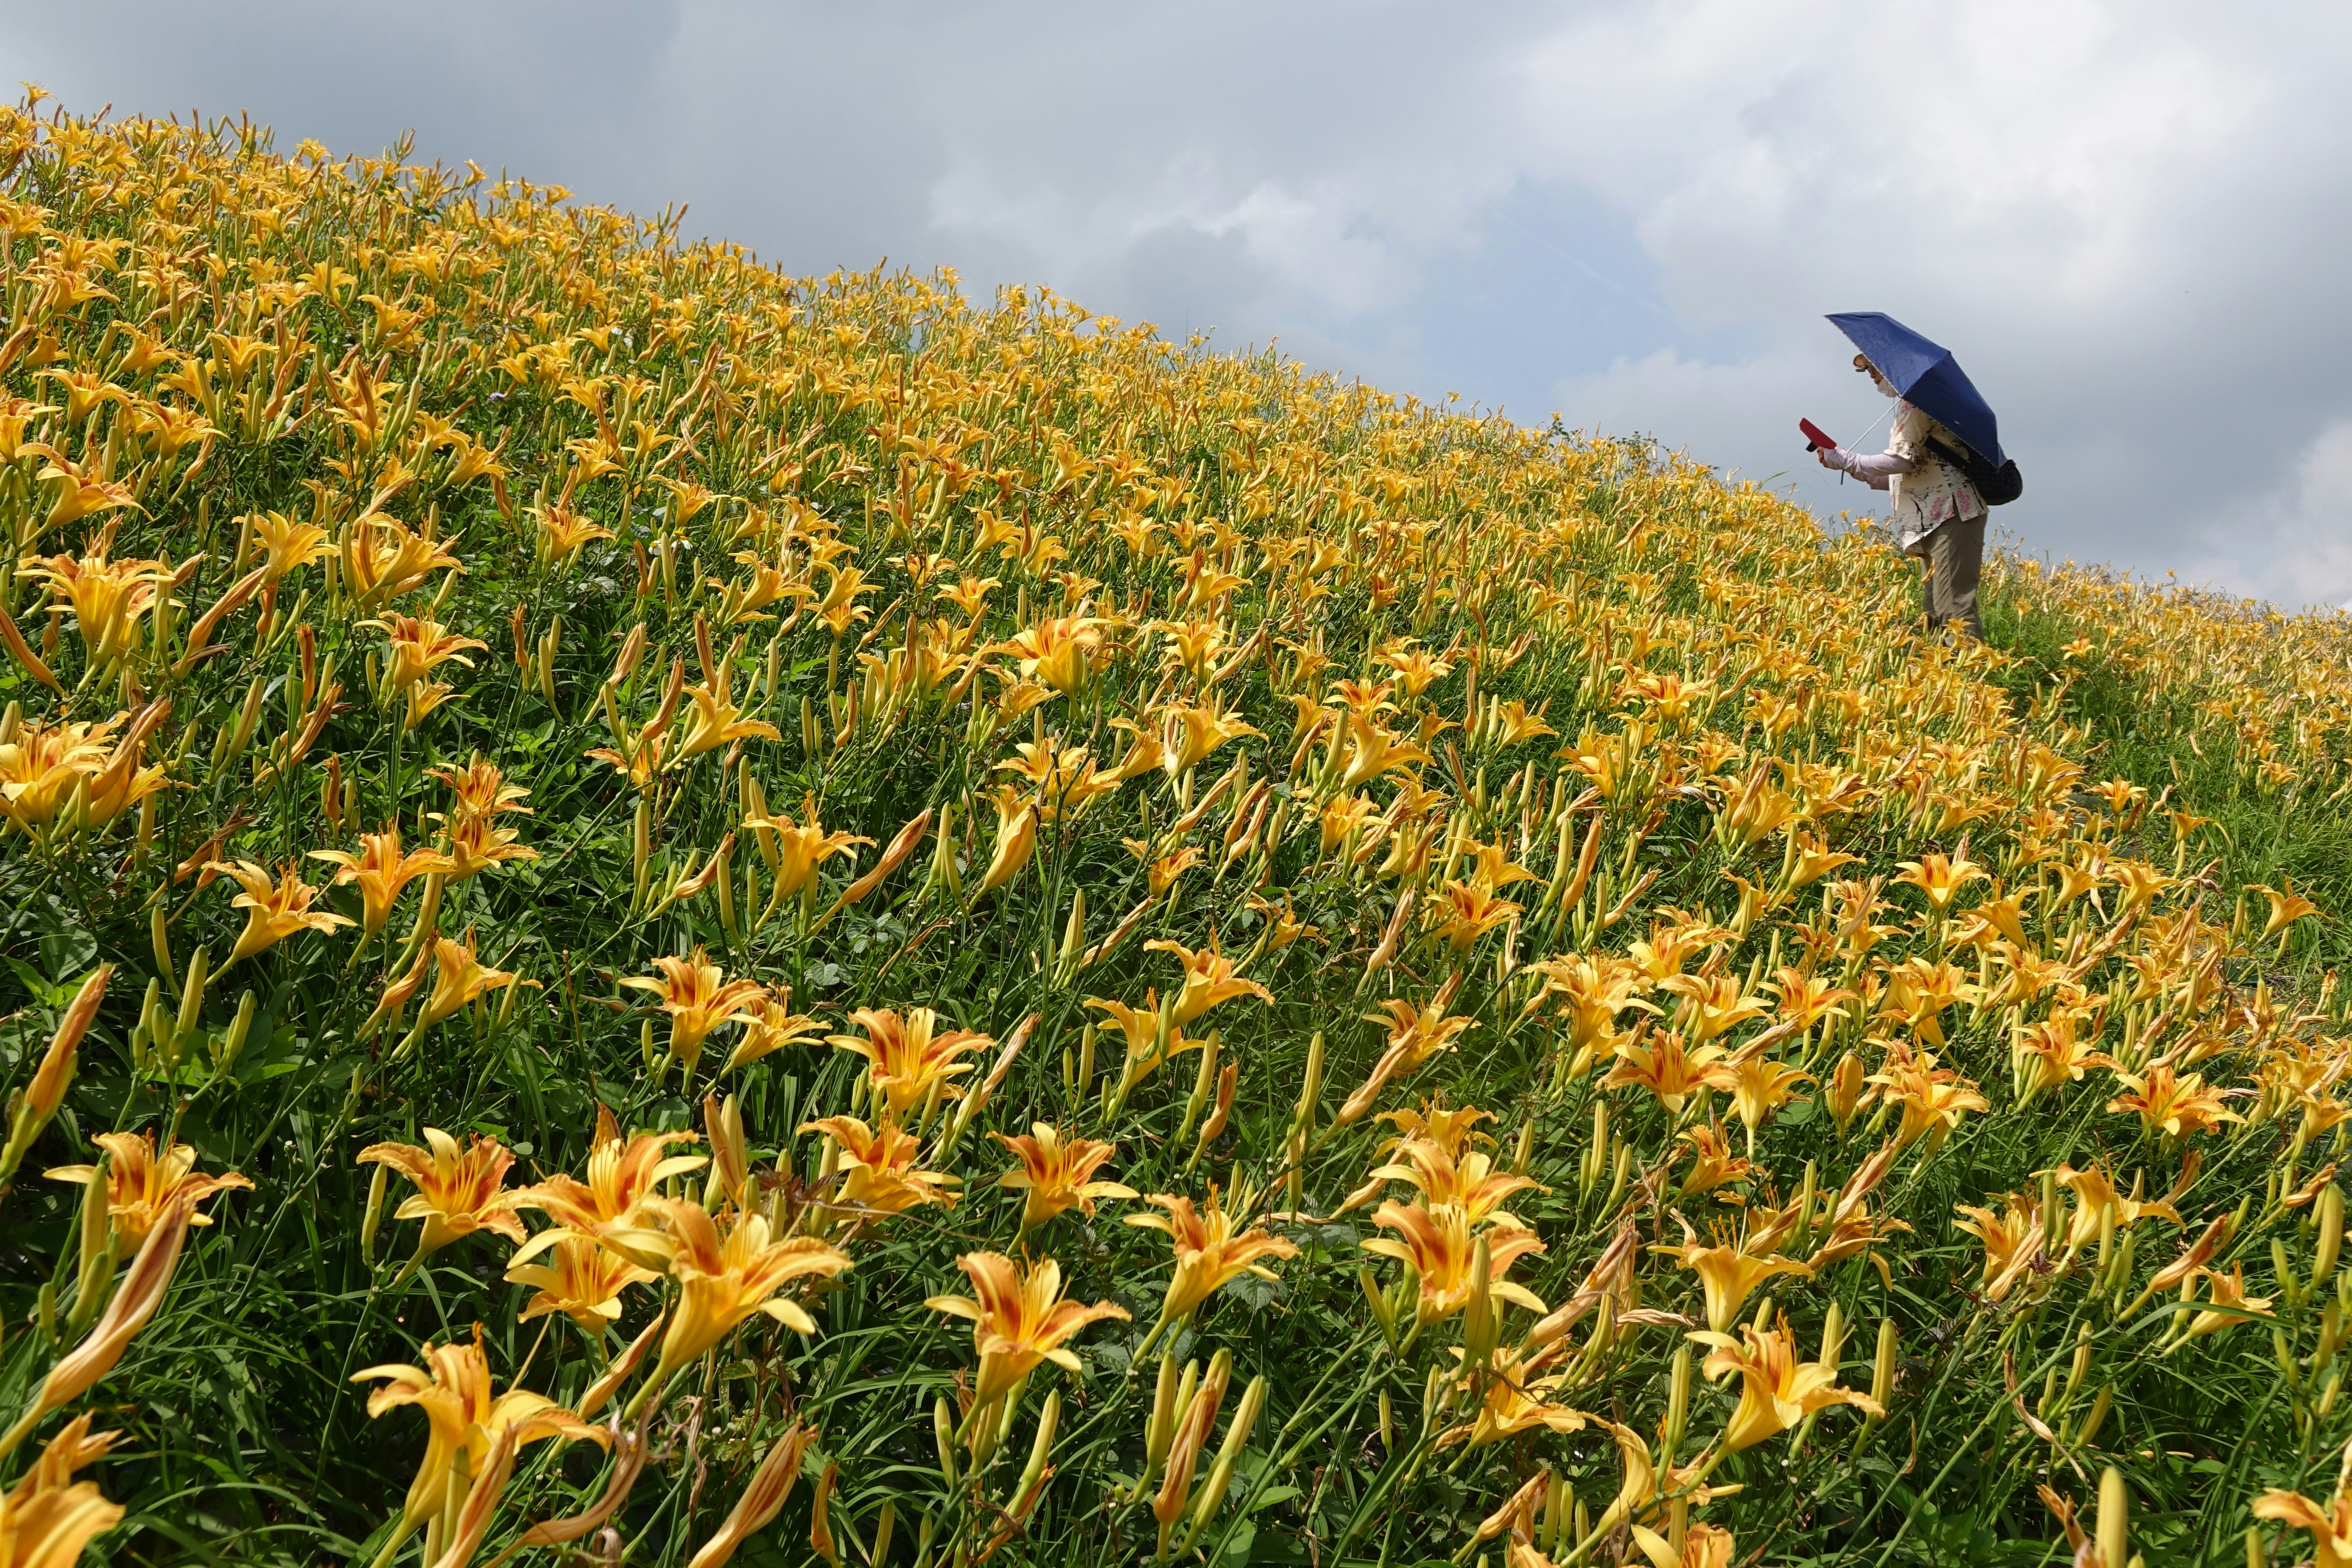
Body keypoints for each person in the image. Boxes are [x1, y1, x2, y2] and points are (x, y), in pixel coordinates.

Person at [1817, 354, 1986, 640]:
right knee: (1933, 615)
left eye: (1872, 365)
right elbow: (1906, 475)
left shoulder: (1916, 403)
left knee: (1953, 610)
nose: (1869, 373)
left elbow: (1900, 462)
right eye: (1864, 369)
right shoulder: (1918, 403)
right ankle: (1940, 680)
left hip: (1951, 513)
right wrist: (1849, 465)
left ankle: (1972, 679)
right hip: (1937, 517)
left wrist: (1849, 460)